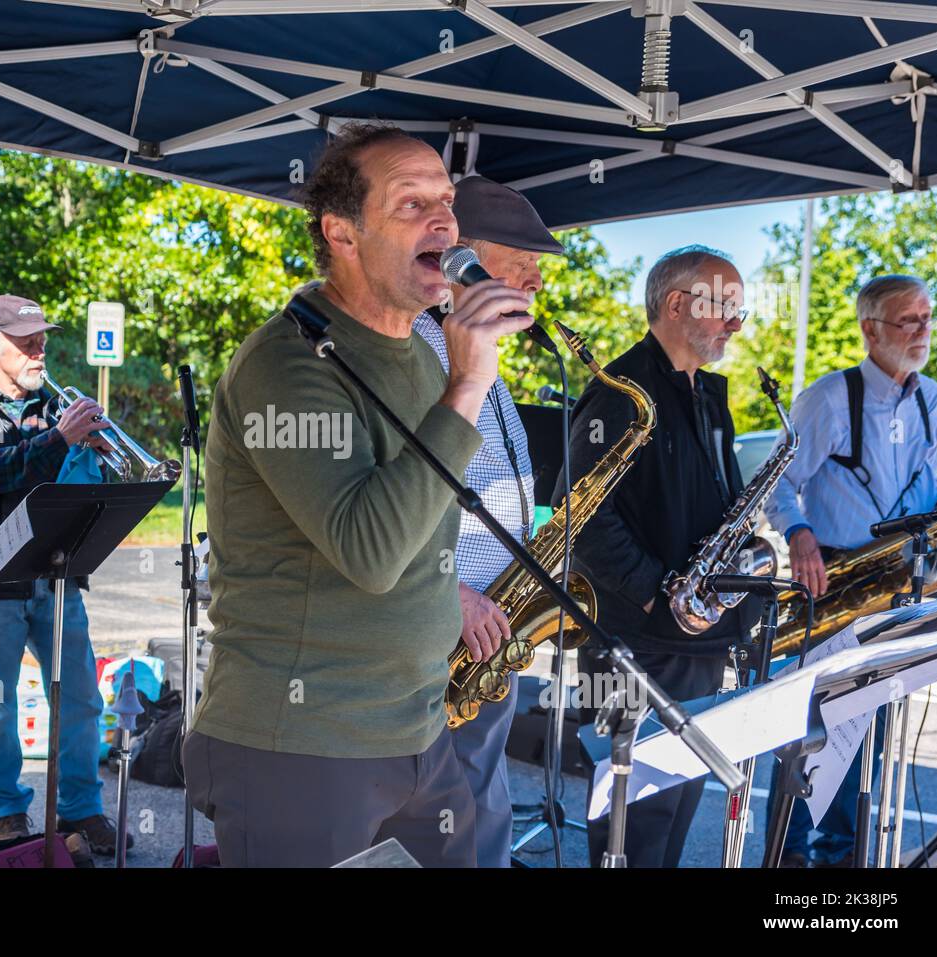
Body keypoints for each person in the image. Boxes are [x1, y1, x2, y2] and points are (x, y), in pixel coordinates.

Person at [183, 123, 531, 867]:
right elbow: (370, 551)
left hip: (417, 732)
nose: (445, 221)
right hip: (302, 744)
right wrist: (468, 384)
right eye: (413, 204)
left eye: (447, 201)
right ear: (342, 232)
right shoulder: (285, 366)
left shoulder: (414, 351)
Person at [560, 245, 759, 867]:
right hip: (635, 642)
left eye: (740, 310)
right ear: (677, 304)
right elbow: (584, 517)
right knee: (632, 834)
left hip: (694, 641)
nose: (736, 323)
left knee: (670, 829)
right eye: (725, 306)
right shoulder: (620, 392)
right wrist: (655, 593)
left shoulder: (708, 396)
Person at [764, 273, 937, 867]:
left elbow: (931, 483)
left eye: (927, 317)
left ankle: (843, 866)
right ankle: (786, 863)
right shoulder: (828, 398)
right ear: (870, 329)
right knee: (811, 731)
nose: (922, 331)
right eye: (908, 320)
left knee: (868, 735)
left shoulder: (932, 396)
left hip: (899, 580)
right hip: (837, 580)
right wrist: (800, 536)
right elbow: (777, 484)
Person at [0, 294, 131, 856]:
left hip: (55, 575)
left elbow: (80, 496)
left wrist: (93, 454)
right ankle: (6, 813)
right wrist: (61, 440)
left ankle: (82, 809)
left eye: (42, 339)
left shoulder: (56, 411)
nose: (39, 349)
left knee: (79, 699)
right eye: (27, 342)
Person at [411, 175, 564, 867]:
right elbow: (396, 496)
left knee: (482, 800)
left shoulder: (484, 356)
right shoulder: (413, 350)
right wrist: (450, 594)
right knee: (436, 813)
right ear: (462, 256)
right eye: (521, 256)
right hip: (445, 623)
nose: (536, 274)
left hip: (494, 620)